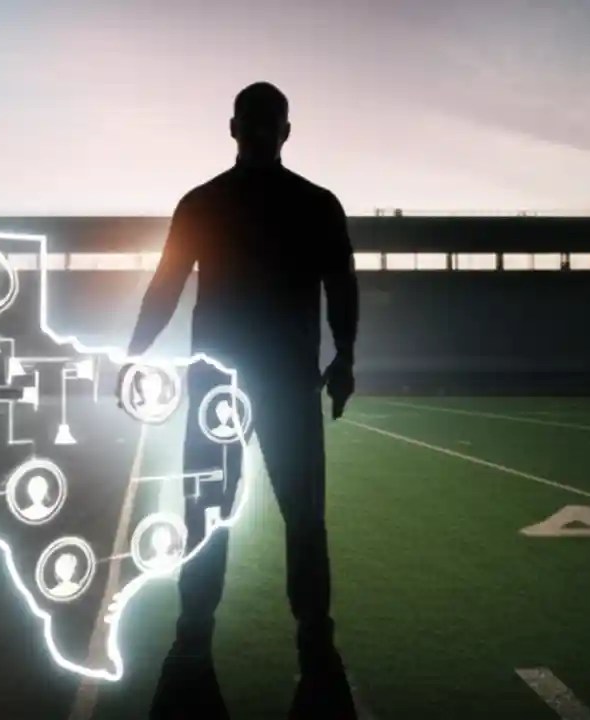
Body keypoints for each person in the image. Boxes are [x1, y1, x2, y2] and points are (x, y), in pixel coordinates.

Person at [121, 81, 359, 719]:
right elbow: (166, 286)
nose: (257, 132)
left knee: (253, 520)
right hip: (255, 385)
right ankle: (279, 654)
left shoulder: (213, 202)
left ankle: (209, 650)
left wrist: (345, 355)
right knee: (256, 521)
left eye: (264, 122)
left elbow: (340, 283)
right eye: (254, 122)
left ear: (276, 130)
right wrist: (345, 356)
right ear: (247, 128)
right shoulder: (305, 203)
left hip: (241, 387)